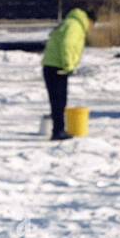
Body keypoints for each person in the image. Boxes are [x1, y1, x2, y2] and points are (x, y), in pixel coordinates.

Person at [41, 7, 93, 141]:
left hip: (53, 65)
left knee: (58, 101)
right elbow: (67, 45)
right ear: (89, 20)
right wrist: (69, 65)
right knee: (59, 101)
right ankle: (58, 131)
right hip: (57, 67)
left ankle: (58, 129)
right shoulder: (75, 26)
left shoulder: (70, 22)